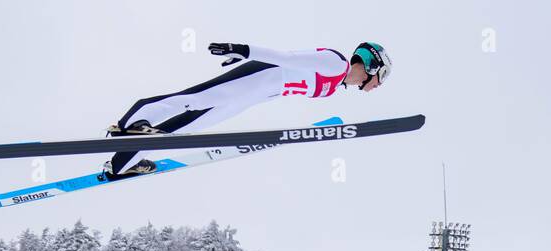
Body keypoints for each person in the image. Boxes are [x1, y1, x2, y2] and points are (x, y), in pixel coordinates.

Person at [102, 41, 393, 180]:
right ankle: (132, 121)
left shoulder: (334, 86)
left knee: (192, 123)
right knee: (196, 99)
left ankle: (123, 162)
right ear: (372, 66)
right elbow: (285, 56)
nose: (379, 85)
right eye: (383, 77)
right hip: (259, 76)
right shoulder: (336, 64)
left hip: (258, 93)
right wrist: (244, 51)